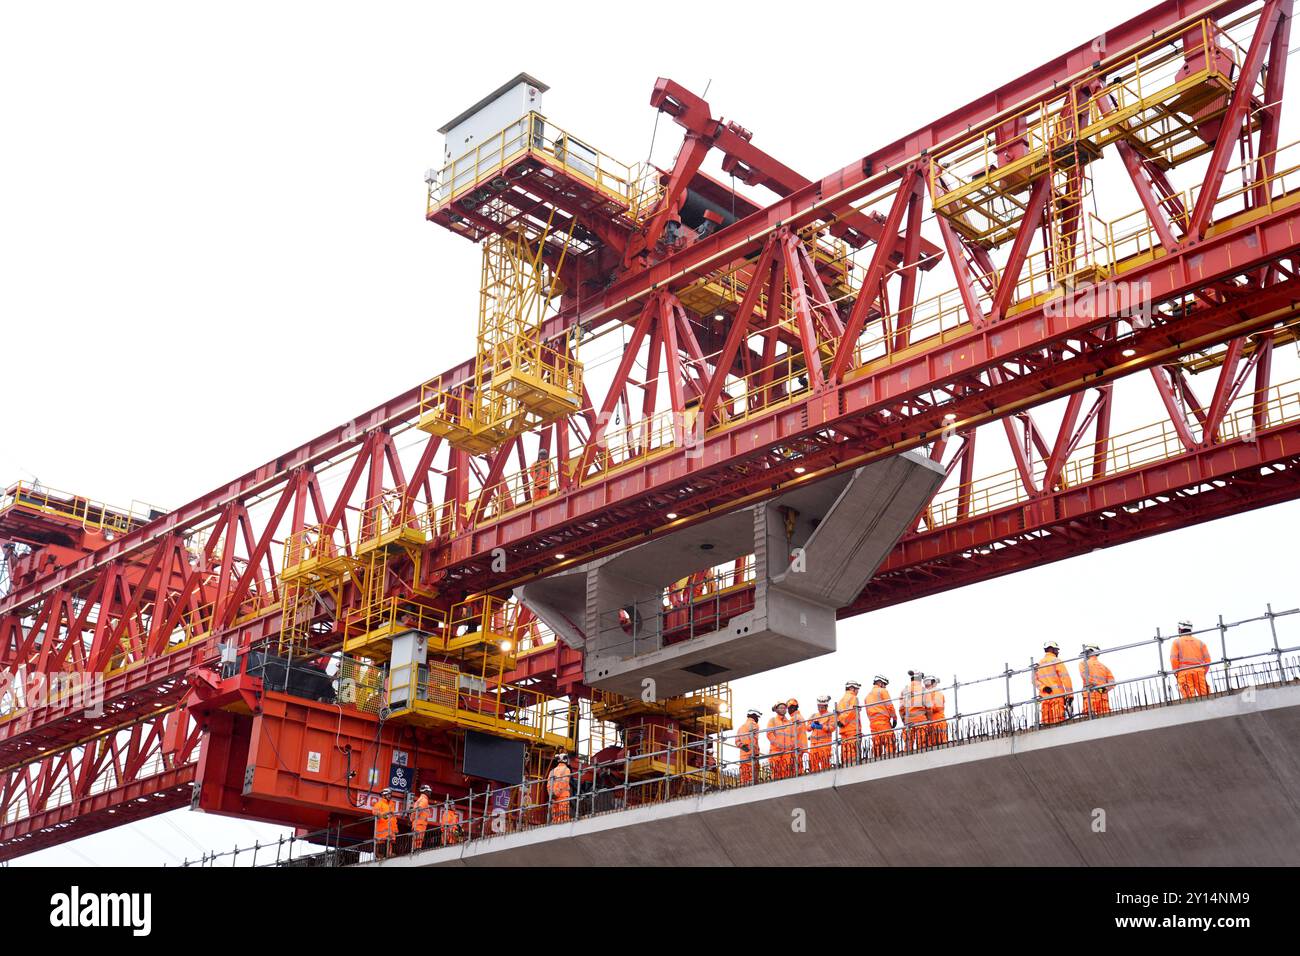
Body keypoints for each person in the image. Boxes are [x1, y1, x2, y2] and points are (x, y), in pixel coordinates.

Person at [1034, 641, 1074, 725]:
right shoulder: (1056, 661)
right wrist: (1070, 695)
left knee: (1046, 725)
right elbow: (1065, 678)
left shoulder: (1038, 664)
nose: (1058, 652)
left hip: (1045, 697)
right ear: (1051, 649)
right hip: (1057, 696)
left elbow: (1034, 680)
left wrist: (1043, 688)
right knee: (1059, 722)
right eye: (1056, 649)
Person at [1170, 619, 1211, 698]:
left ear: (1180, 629)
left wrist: (1176, 672)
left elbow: (1173, 659)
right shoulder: (1200, 642)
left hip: (1183, 673)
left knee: (1189, 700)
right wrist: (1202, 672)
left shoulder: (1177, 642)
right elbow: (1208, 661)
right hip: (1199, 672)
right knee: (1206, 697)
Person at [864, 675, 897, 758]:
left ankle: (876, 760)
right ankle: (891, 758)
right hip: (883, 722)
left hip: (873, 724)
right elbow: (889, 706)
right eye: (884, 684)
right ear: (880, 683)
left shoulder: (867, 697)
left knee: (876, 743)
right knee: (889, 741)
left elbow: (867, 712)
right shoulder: (882, 691)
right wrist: (894, 718)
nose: (885, 686)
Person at [1079, 644, 1115, 715]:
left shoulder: (1083, 663)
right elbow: (1112, 682)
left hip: (1090, 697)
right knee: (1106, 721)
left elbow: (1085, 676)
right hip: (1103, 698)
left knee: (1090, 722)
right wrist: (1104, 689)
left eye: (1086, 652)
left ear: (1090, 651)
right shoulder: (1104, 667)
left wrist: (1096, 686)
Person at [766, 701, 796, 779]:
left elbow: (793, 736)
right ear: (777, 709)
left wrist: (791, 746)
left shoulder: (789, 722)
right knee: (776, 772)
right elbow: (769, 734)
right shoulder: (772, 720)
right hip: (776, 751)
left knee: (786, 772)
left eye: (784, 708)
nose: (783, 709)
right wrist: (778, 745)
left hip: (787, 752)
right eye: (781, 708)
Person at [836, 680, 863, 766]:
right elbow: (852, 712)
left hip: (843, 730)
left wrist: (840, 722)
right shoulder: (854, 698)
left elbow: (837, 714)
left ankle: (845, 764)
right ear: (852, 688)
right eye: (856, 689)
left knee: (845, 749)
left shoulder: (841, 700)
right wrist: (843, 722)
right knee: (853, 749)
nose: (857, 691)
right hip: (852, 728)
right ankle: (854, 766)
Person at [900, 671, 928, 749]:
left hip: (908, 720)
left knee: (908, 744)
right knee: (922, 744)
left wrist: (904, 719)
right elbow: (928, 707)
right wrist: (929, 719)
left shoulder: (904, 690)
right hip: (921, 720)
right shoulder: (923, 690)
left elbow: (901, 708)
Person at [808, 696, 834, 773]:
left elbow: (832, 728)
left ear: (826, 706)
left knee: (825, 763)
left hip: (825, 743)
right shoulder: (813, 715)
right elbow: (807, 728)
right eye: (819, 706)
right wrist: (811, 726)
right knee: (813, 763)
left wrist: (822, 727)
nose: (820, 708)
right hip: (814, 744)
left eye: (822, 706)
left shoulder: (831, 715)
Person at [737, 708, 762, 784]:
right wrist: (756, 752)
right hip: (752, 754)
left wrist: (744, 747)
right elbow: (754, 740)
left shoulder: (741, 727)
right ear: (754, 716)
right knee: (752, 776)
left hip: (743, 755)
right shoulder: (754, 725)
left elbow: (737, 741)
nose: (757, 719)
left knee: (744, 775)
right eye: (757, 717)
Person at [372, 787, 397, 860]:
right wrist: (384, 814)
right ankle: (378, 856)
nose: (390, 796)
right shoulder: (379, 804)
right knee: (380, 843)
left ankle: (389, 854)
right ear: (384, 795)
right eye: (388, 794)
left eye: (390, 794)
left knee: (390, 842)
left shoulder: (391, 805)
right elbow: (375, 812)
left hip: (390, 829)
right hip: (382, 829)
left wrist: (395, 829)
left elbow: (394, 818)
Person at [548, 752, 573, 823]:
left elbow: (548, 785)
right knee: (563, 816)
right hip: (563, 796)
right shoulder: (566, 770)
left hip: (553, 797)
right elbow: (564, 782)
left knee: (555, 815)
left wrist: (552, 794)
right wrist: (557, 793)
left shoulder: (552, 771)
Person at [786, 697, 808, 774]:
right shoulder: (799, 717)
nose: (788, 710)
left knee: (795, 766)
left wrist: (789, 746)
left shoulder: (795, 718)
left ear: (794, 708)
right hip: (800, 746)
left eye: (789, 708)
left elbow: (791, 734)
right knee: (798, 765)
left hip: (795, 746)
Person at [924, 674, 947, 746]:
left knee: (940, 743)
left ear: (934, 683)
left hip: (938, 721)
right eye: (925, 683)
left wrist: (925, 709)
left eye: (928, 682)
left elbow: (937, 707)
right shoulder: (927, 694)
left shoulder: (937, 693)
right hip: (931, 721)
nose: (926, 685)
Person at [410, 784, 433, 850]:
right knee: (418, 840)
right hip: (420, 824)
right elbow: (419, 810)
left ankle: (415, 850)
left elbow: (413, 813)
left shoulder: (419, 800)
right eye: (429, 791)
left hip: (416, 823)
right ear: (425, 792)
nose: (430, 793)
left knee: (415, 840)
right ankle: (417, 850)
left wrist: (413, 820)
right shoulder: (424, 800)